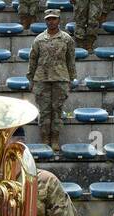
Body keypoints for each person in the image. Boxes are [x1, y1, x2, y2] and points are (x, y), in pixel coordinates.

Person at [28, 11, 75, 150]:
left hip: (60, 79)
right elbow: (33, 60)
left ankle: (54, 139)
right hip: (42, 79)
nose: (51, 21)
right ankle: (44, 139)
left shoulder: (66, 39)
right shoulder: (39, 39)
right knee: (44, 111)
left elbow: (71, 60)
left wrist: (71, 79)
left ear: (59, 20)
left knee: (57, 110)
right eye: (48, 19)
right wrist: (31, 79)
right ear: (45, 21)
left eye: (54, 19)